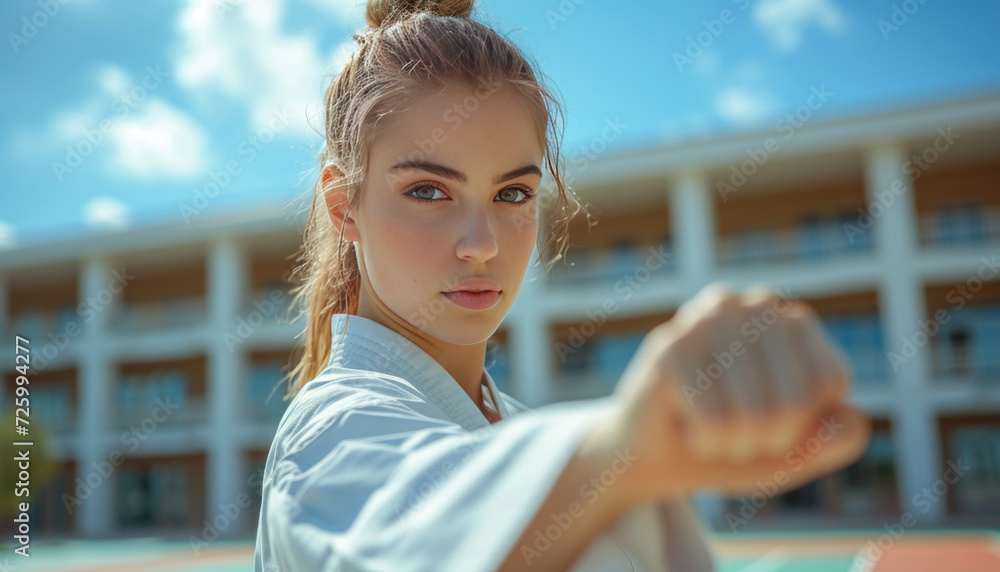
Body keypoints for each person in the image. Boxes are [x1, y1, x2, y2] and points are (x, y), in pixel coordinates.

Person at [253, 1, 873, 570]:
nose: (483, 242)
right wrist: (624, 447)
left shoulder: (530, 431)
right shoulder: (331, 429)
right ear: (344, 207)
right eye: (428, 191)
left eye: (512, 194)